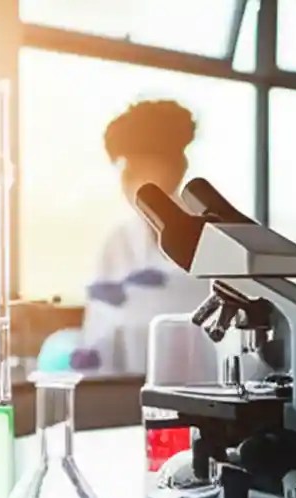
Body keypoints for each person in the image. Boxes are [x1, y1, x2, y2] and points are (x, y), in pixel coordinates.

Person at [71, 100, 212, 373]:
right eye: (125, 168)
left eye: (140, 167)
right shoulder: (118, 241)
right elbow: (100, 325)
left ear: (175, 168)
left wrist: (154, 293)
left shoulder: (208, 230)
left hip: (197, 378)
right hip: (129, 382)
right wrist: (89, 353)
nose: (127, 178)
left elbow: (209, 307)